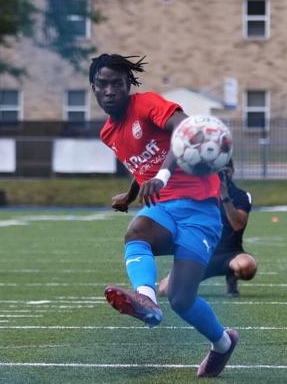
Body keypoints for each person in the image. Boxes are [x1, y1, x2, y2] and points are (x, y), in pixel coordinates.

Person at [90, 54, 237, 377]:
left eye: (118, 83)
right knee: (137, 231)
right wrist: (130, 195)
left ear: (129, 86)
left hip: (200, 209)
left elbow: (183, 128)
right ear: (94, 89)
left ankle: (223, 343)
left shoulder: (147, 105)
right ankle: (146, 300)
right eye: (103, 84)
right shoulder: (107, 133)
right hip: (162, 208)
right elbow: (142, 163)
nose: (110, 90)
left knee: (183, 301)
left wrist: (163, 177)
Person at [158, 159, 258, 297]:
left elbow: (238, 224)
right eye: (218, 172)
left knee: (247, 267)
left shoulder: (240, 195)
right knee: (165, 290)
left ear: (231, 172)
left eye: (225, 172)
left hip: (230, 254)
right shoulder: (198, 192)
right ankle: (188, 277)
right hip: (200, 253)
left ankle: (232, 277)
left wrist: (224, 195)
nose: (222, 176)